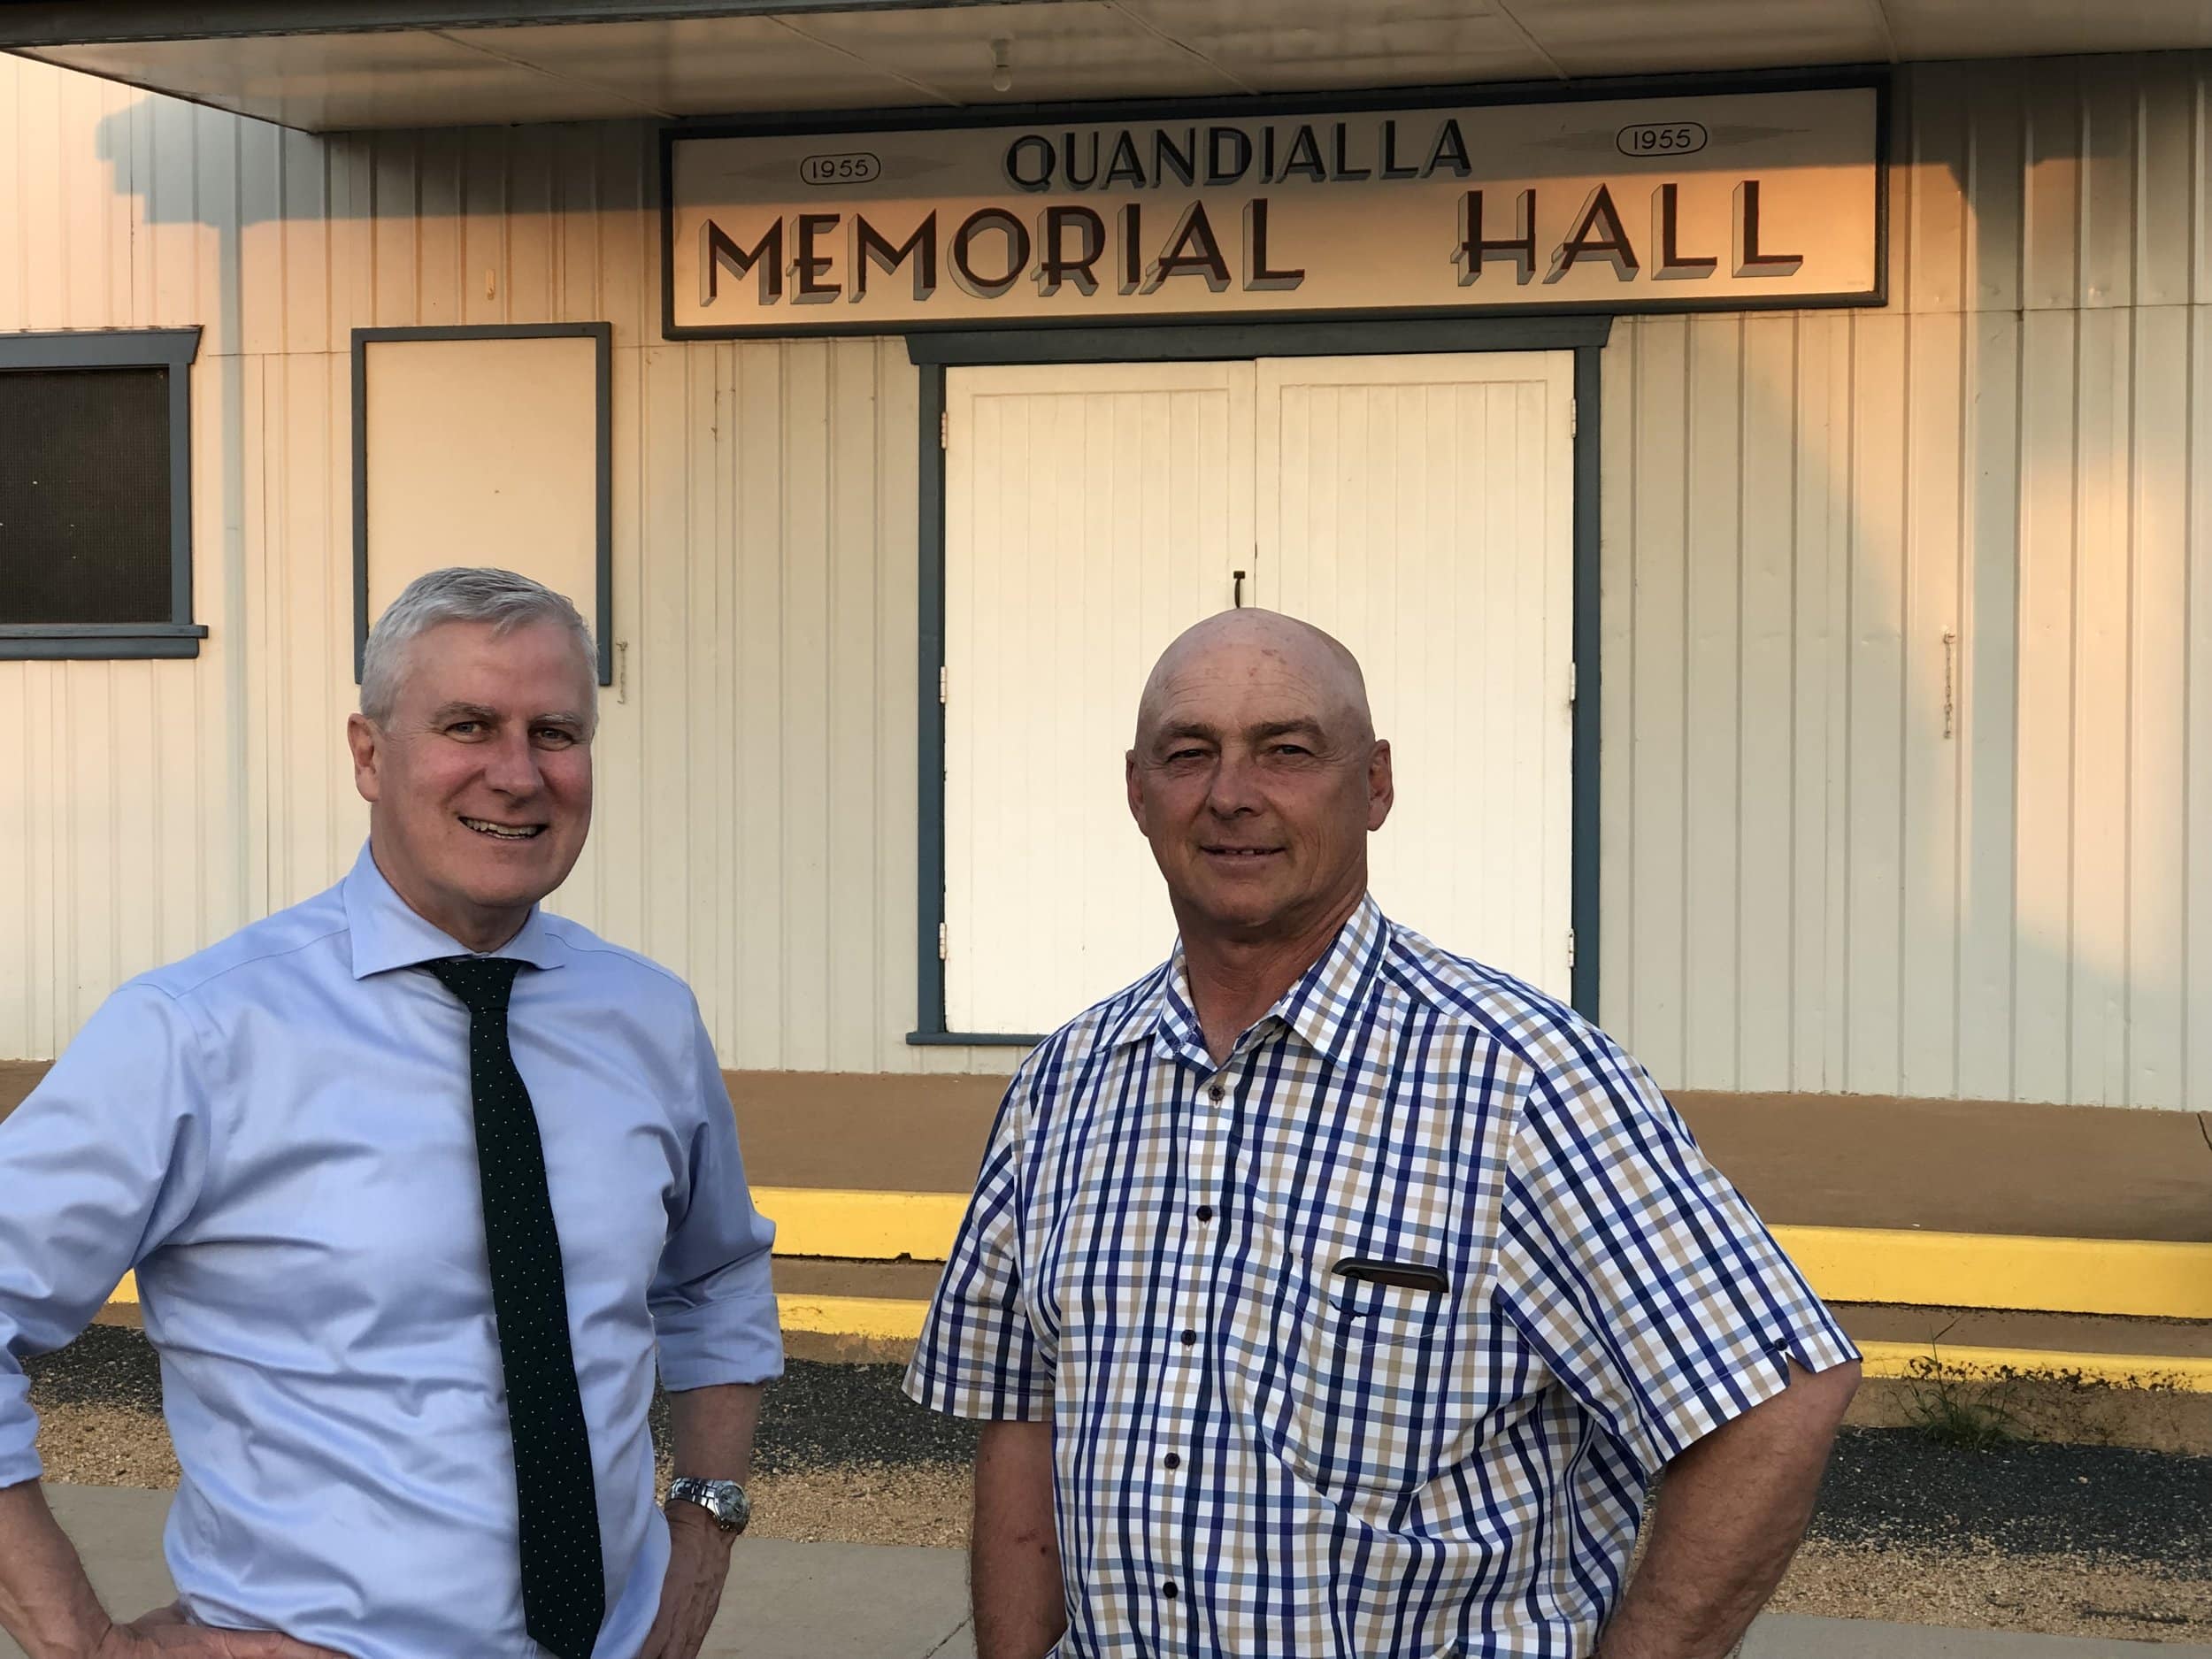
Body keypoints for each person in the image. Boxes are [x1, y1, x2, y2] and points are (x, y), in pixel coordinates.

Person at [907, 608, 1861, 1659]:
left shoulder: (1519, 1080)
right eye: (1190, 754)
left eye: (1287, 750)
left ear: (1374, 786)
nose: (1231, 794)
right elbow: (1023, 1423)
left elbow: (1774, 1396)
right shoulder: (1066, 1087)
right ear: (1138, 792)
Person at [0, 568, 781, 1659]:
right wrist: (83, 1642)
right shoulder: (200, 1035)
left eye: (555, 731)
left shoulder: (645, 1017)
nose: (518, 775)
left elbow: (714, 1277)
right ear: (369, 755)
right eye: (468, 725)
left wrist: (700, 1540)